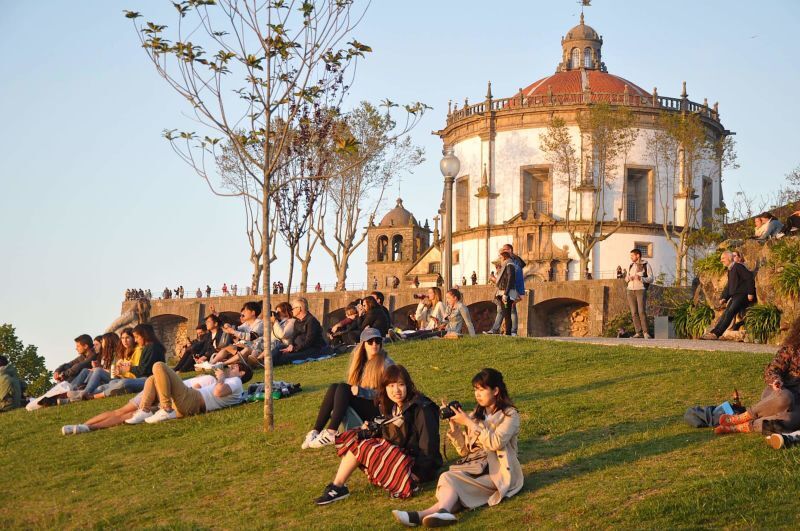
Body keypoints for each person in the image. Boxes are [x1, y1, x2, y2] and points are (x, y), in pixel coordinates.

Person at [392, 368, 522, 527]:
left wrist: (468, 422)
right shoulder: (476, 415)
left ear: (495, 390)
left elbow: (495, 442)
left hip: (499, 473)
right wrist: (455, 428)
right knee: (448, 478)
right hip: (477, 468)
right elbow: (466, 452)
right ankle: (436, 514)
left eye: (482, 390)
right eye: (475, 390)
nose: (477, 394)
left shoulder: (510, 415)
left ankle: (422, 515)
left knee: (451, 479)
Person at [314, 364, 442, 505]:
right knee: (355, 437)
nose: (396, 390)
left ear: (408, 385)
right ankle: (338, 486)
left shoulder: (422, 408)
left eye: (401, 385)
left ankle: (401, 481)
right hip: (401, 456)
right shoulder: (392, 406)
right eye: (391, 386)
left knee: (366, 446)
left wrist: (416, 475)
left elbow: (429, 446)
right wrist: (370, 430)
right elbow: (393, 436)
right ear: (385, 388)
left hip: (419, 467)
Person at [302, 328, 394, 449]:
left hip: (379, 411)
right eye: (370, 341)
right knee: (335, 387)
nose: (374, 345)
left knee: (344, 388)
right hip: (367, 405)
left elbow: (386, 394)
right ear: (363, 344)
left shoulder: (386, 363)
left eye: (378, 341)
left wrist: (362, 392)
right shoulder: (361, 361)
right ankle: (316, 431)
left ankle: (331, 432)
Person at [715, 315, 800, 436]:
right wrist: (776, 380)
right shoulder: (792, 349)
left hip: (798, 404)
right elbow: (772, 369)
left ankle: (742, 427)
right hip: (778, 395)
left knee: (791, 420)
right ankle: (742, 417)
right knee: (785, 398)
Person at [61, 373, 217, 435]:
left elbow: (195, 389)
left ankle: (84, 426)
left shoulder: (211, 379)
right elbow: (194, 391)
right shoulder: (210, 379)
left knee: (121, 412)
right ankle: (86, 427)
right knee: (125, 414)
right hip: (164, 394)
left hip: (158, 390)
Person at [124, 360, 252, 424]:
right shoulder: (233, 383)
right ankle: (145, 409)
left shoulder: (236, 381)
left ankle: (166, 409)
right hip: (190, 400)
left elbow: (218, 393)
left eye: (234, 366)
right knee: (153, 378)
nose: (230, 367)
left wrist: (221, 378)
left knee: (158, 365)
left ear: (242, 373)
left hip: (192, 400)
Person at [95, 324, 165, 397]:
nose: (135, 340)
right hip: (142, 379)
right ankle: (87, 394)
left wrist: (128, 369)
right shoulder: (147, 348)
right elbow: (141, 370)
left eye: (137, 337)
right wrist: (121, 371)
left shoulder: (152, 348)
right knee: (113, 382)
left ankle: (97, 395)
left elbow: (143, 371)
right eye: (122, 338)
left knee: (124, 382)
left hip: (150, 380)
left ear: (144, 335)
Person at [701, 251, 755, 340]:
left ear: (729, 258)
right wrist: (724, 298)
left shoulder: (738, 266)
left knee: (730, 312)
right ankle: (713, 332)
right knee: (726, 313)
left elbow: (749, 277)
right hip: (735, 296)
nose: (721, 261)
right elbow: (729, 286)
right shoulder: (730, 270)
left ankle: (716, 334)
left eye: (723, 258)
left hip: (742, 295)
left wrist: (750, 293)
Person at [275, 297, 328, 364]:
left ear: (299, 309)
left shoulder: (311, 321)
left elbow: (309, 342)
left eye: (293, 309)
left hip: (312, 349)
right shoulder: (297, 321)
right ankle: (263, 362)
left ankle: (271, 364)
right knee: (279, 348)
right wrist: (291, 345)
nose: (291, 311)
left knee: (285, 357)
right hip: (298, 347)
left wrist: (294, 349)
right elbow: (293, 335)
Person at [624, 248, 654, 339]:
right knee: (634, 313)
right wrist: (628, 278)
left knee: (641, 311)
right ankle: (638, 332)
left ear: (638, 255)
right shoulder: (631, 265)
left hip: (640, 290)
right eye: (630, 256)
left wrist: (640, 278)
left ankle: (646, 333)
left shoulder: (646, 265)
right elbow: (625, 279)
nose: (631, 257)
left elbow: (651, 278)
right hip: (630, 290)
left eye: (632, 256)